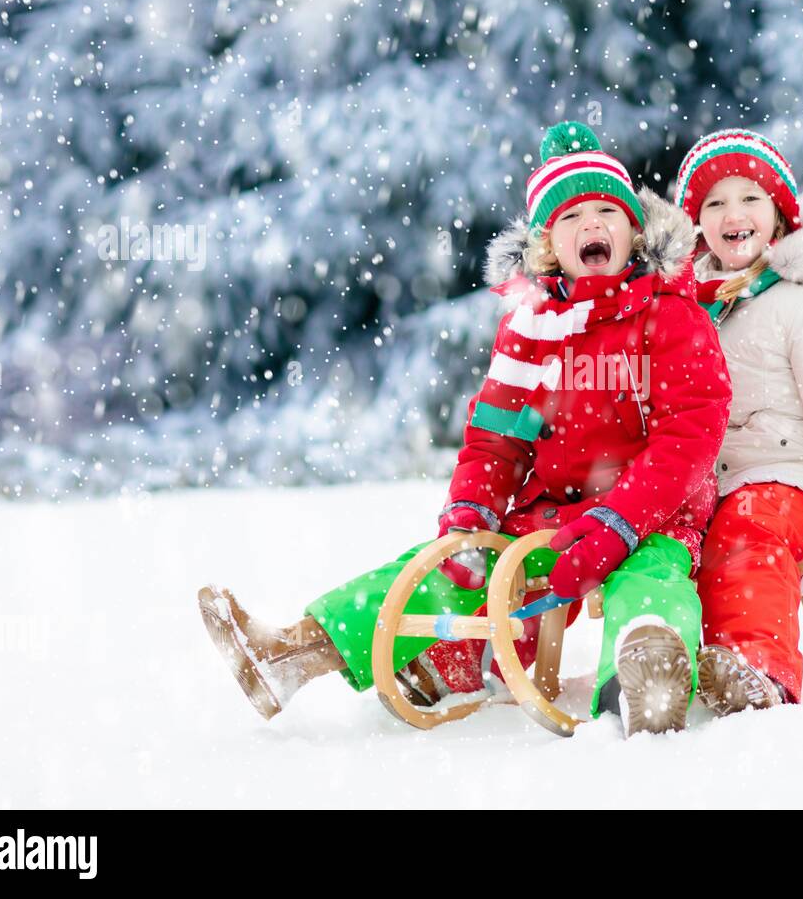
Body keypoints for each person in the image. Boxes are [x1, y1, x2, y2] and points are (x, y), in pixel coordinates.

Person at [199, 122, 731, 736]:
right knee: (452, 570)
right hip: (552, 513)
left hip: (653, 512)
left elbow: (689, 435)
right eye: (572, 217)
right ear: (547, 246)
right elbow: (497, 441)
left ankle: (646, 670)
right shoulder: (532, 331)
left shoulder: (671, 315)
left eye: (608, 210)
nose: (593, 226)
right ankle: (292, 654)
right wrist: (472, 515)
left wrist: (619, 520)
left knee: (651, 579)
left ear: (634, 229)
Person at [674, 128, 803, 714]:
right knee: (671, 541)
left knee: (745, 528)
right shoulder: (693, 308)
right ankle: (660, 658)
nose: (732, 213)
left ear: (780, 215)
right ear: (697, 223)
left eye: (750, 198)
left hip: (788, 486)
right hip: (709, 482)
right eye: (714, 202)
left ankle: (756, 666)